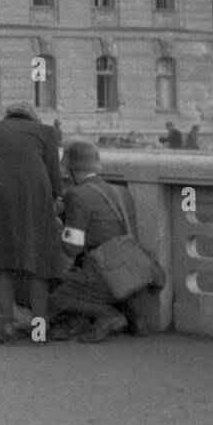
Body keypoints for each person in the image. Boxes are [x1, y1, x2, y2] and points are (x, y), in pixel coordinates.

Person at [0, 99, 65, 344]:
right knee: (39, 261)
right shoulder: (46, 132)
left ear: (7, 116)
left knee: (2, 259)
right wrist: (56, 200)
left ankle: (7, 325)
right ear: (31, 118)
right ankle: (39, 327)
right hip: (34, 196)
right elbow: (55, 175)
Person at [49, 141, 154, 341]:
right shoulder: (122, 192)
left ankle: (109, 315)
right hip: (133, 268)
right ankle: (134, 316)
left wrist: (62, 220)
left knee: (55, 298)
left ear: (71, 170)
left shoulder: (76, 195)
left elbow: (72, 247)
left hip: (101, 272)